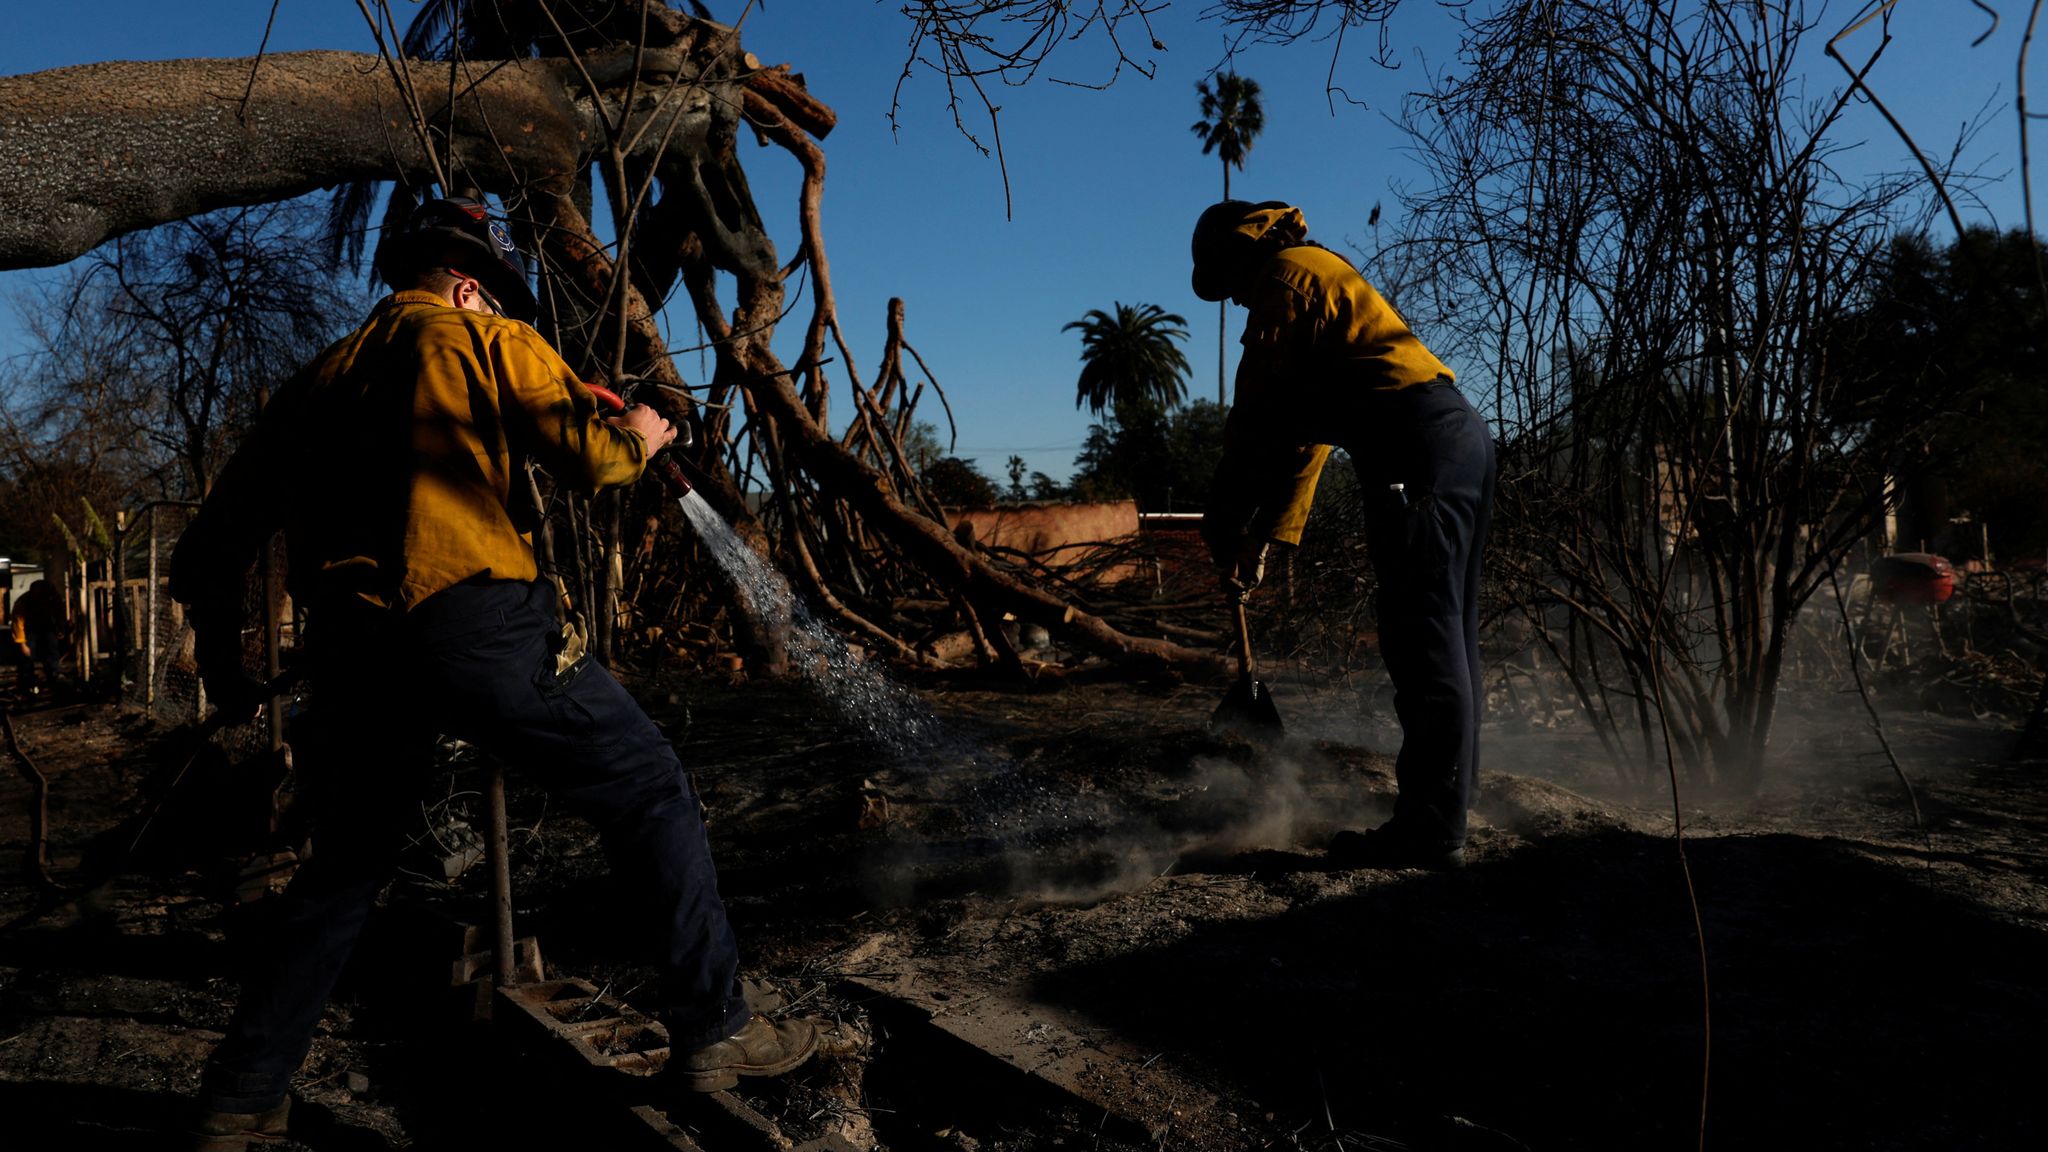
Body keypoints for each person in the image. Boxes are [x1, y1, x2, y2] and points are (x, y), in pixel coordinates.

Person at [171, 196, 816, 1150]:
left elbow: (210, 550)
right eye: (498, 296)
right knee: (648, 789)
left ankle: (238, 1099)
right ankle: (718, 1028)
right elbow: (594, 462)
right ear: (470, 286)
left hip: (355, 651)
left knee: (344, 869)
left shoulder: (317, 382)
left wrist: (228, 666)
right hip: (479, 619)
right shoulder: (493, 341)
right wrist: (641, 428)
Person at [1193, 200, 1495, 871]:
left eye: (1230, 286)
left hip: (1415, 449)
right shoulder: (1320, 274)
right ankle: (1444, 811)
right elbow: (1302, 437)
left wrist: (1223, 516)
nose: (1237, 302)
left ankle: (1431, 826)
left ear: (1239, 254)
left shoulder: (1283, 281)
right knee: (1447, 630)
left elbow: (1256, 421)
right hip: (1453, 438)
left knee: (1422, 636)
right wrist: (1264, 538)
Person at [10, 578, 67, 697]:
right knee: (27, 656)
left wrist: (60, 628)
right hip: (28, 627)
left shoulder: (53, 598)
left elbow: (59, 612)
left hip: (46, 625)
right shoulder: (22, 603)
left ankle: (54, 676)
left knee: (52, 649)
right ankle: (27, 682)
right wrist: (22, 644)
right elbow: (18, 623)